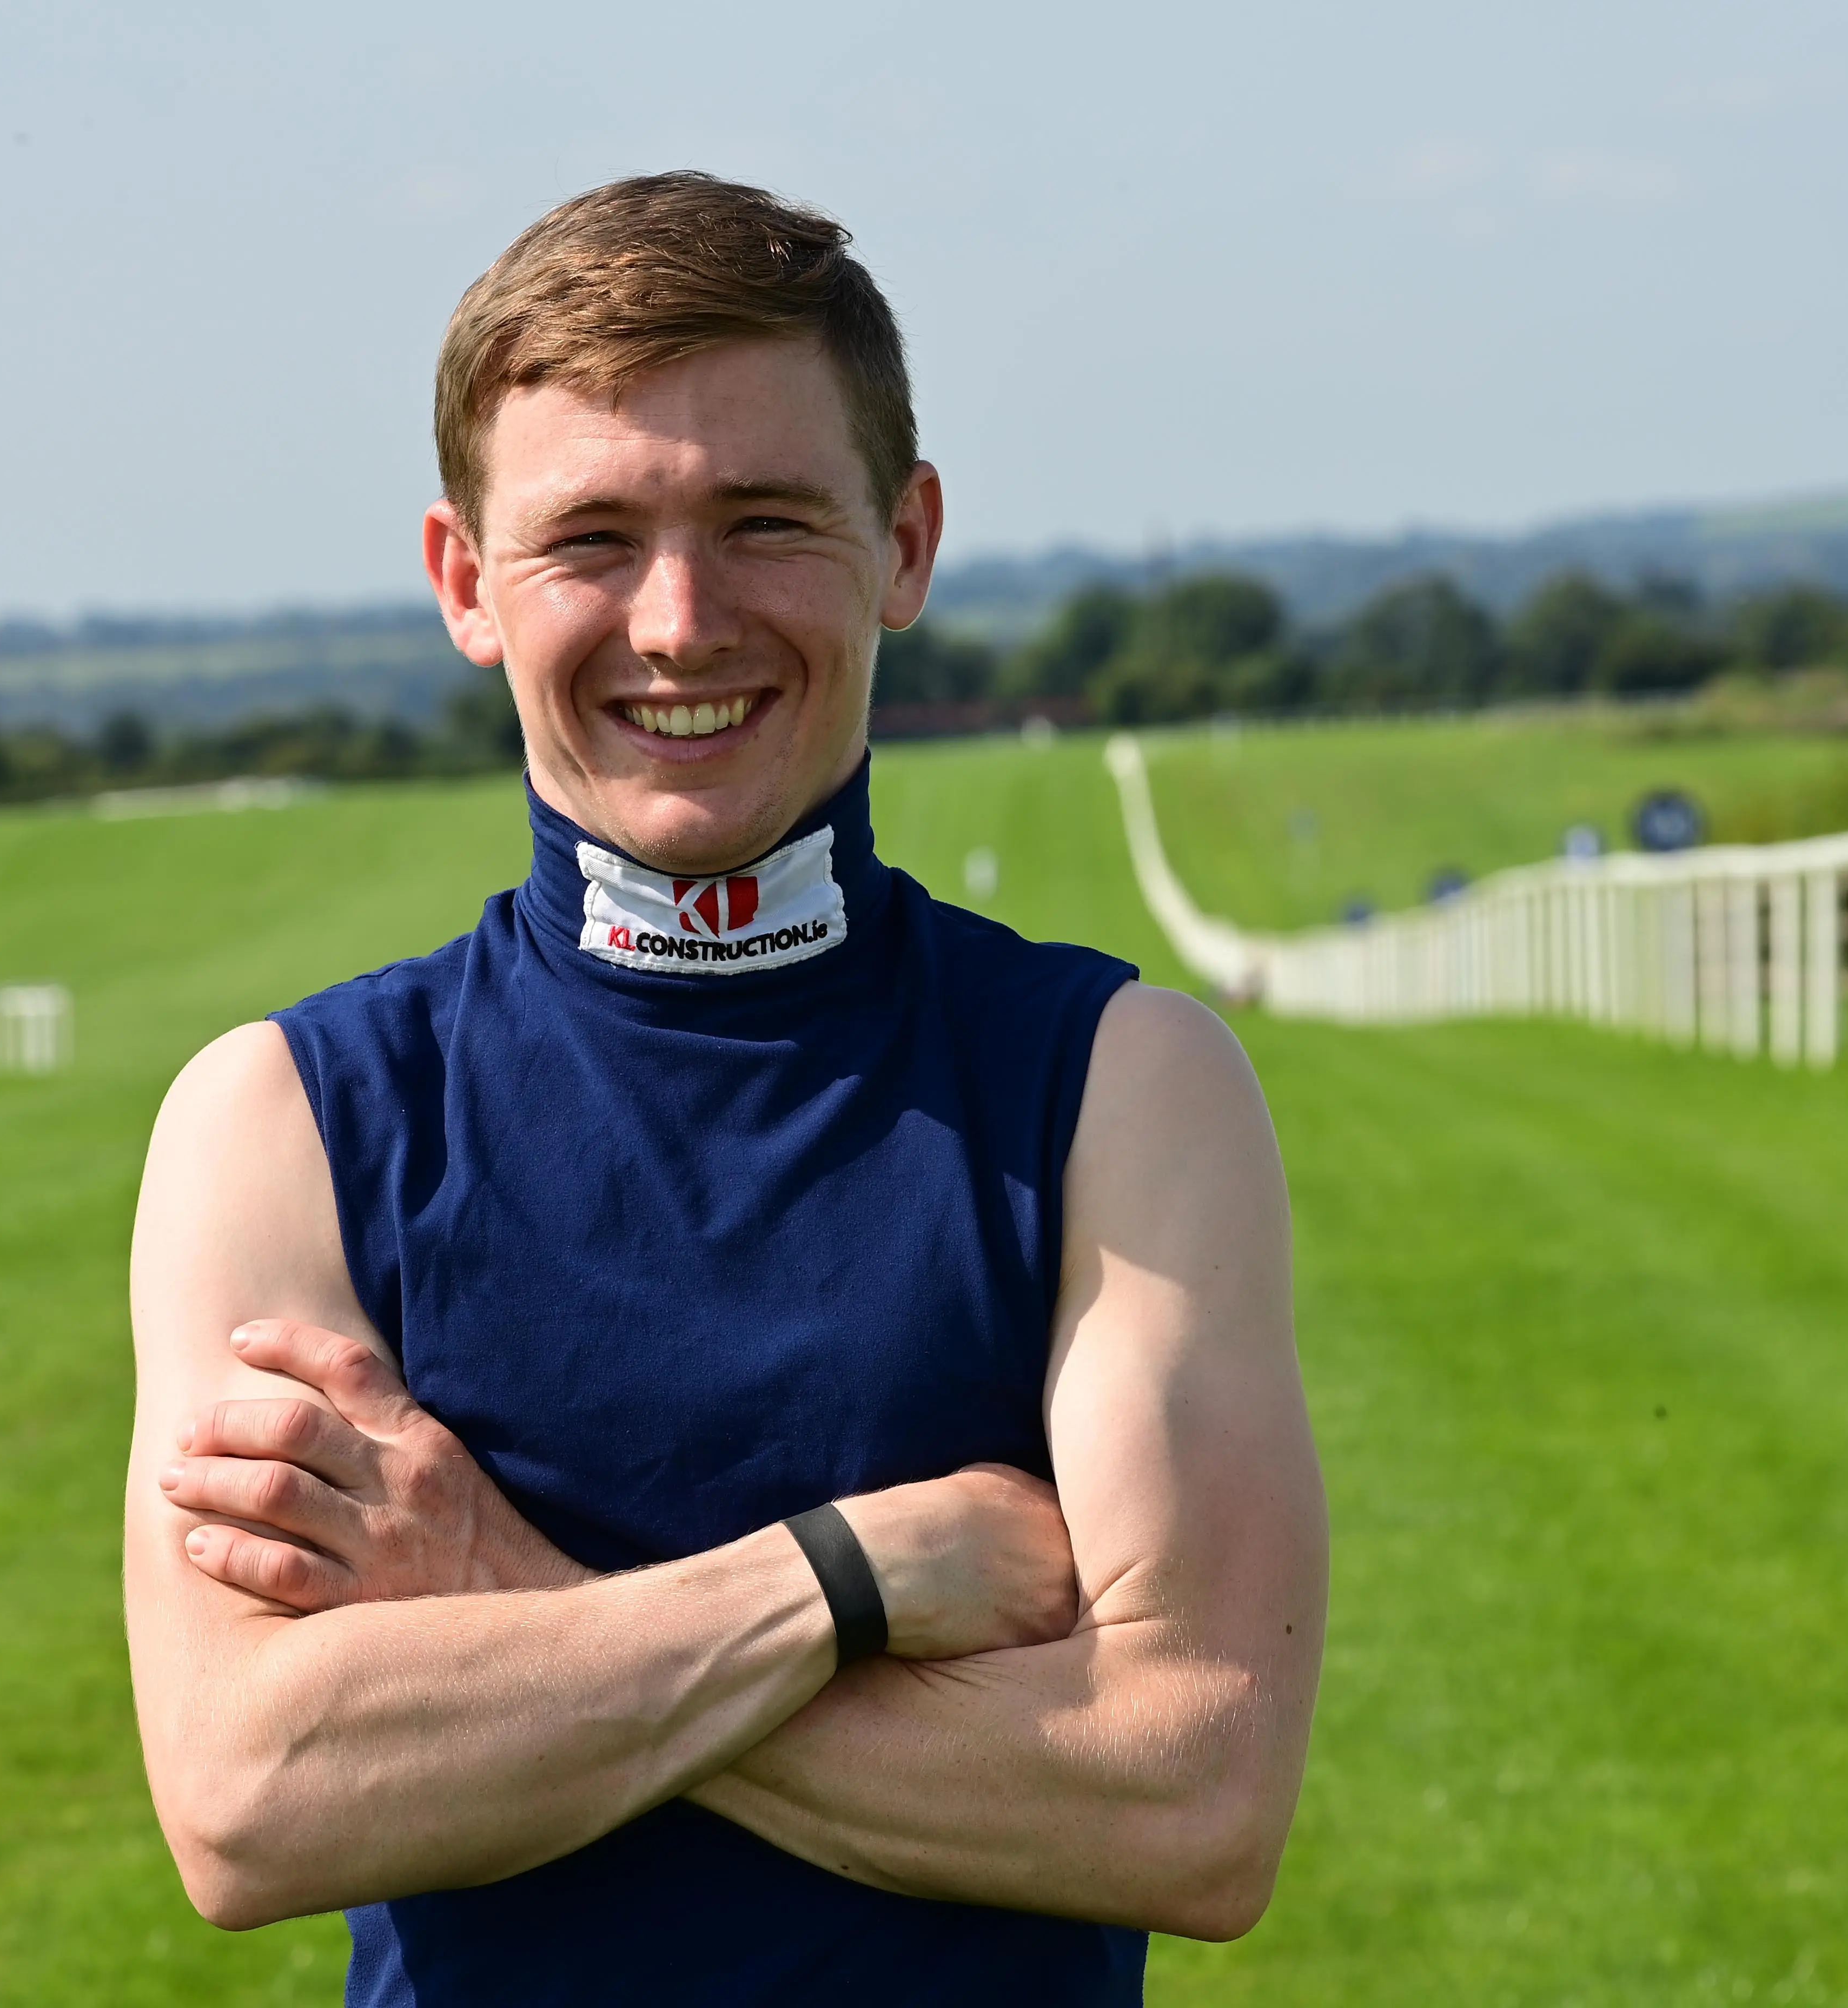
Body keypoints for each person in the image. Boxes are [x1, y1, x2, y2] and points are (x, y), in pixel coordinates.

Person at [123, 171, 1328, 2005]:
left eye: (764, 521)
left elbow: (1191, 1802)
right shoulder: (283, 1120)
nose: (679, 622)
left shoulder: (1119, 1088)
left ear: (906, 545)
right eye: (590, 539)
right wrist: (850, 1582)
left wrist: (494, 1602)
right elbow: (253, 1800)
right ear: (466, 583)